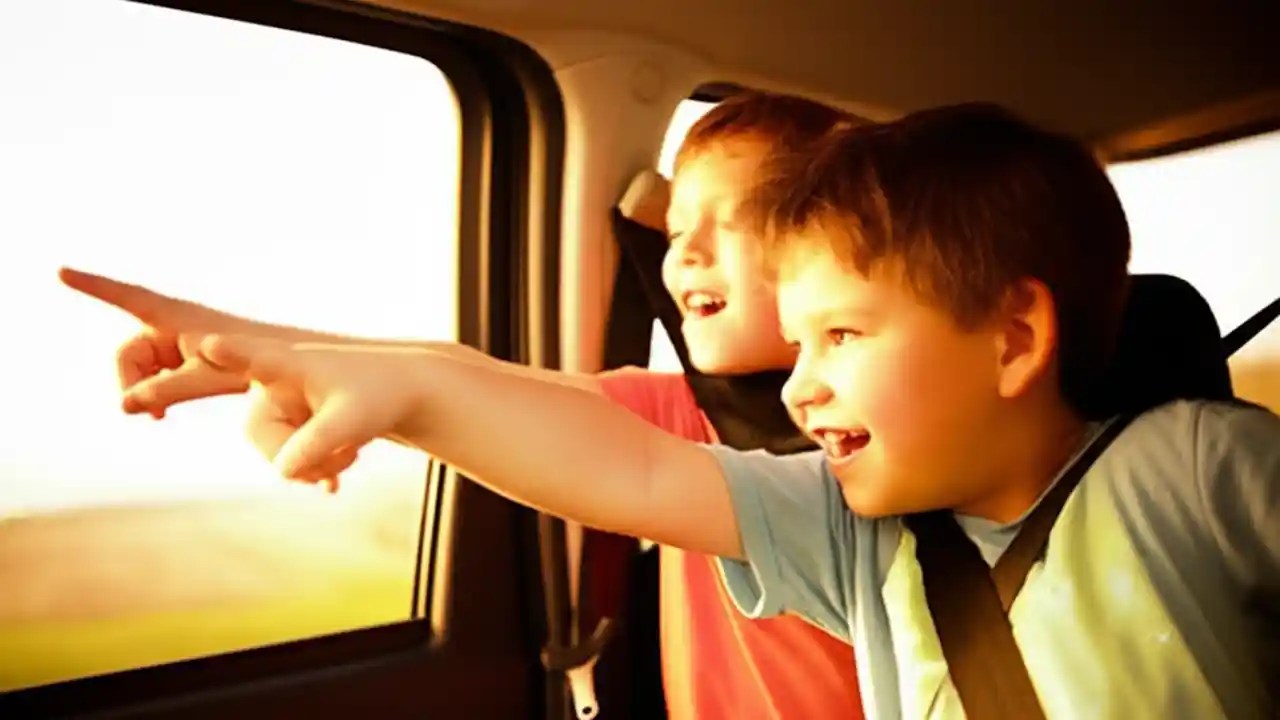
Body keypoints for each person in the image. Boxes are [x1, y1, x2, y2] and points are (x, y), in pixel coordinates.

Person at [98, 101, 1276, 718]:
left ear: (1012, 339)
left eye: (844, 336)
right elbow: (618, 464)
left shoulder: (1194, 471)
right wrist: (380, 387)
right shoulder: (852, 531)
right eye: (801, 336)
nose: (806, 381)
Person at [61, 92, 866, 719]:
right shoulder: (685, 413)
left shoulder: (866, 468)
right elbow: (479, 385)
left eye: (734, 223)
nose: (683, 250)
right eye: (680, 225)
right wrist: (247, 346)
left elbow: (455, 390)